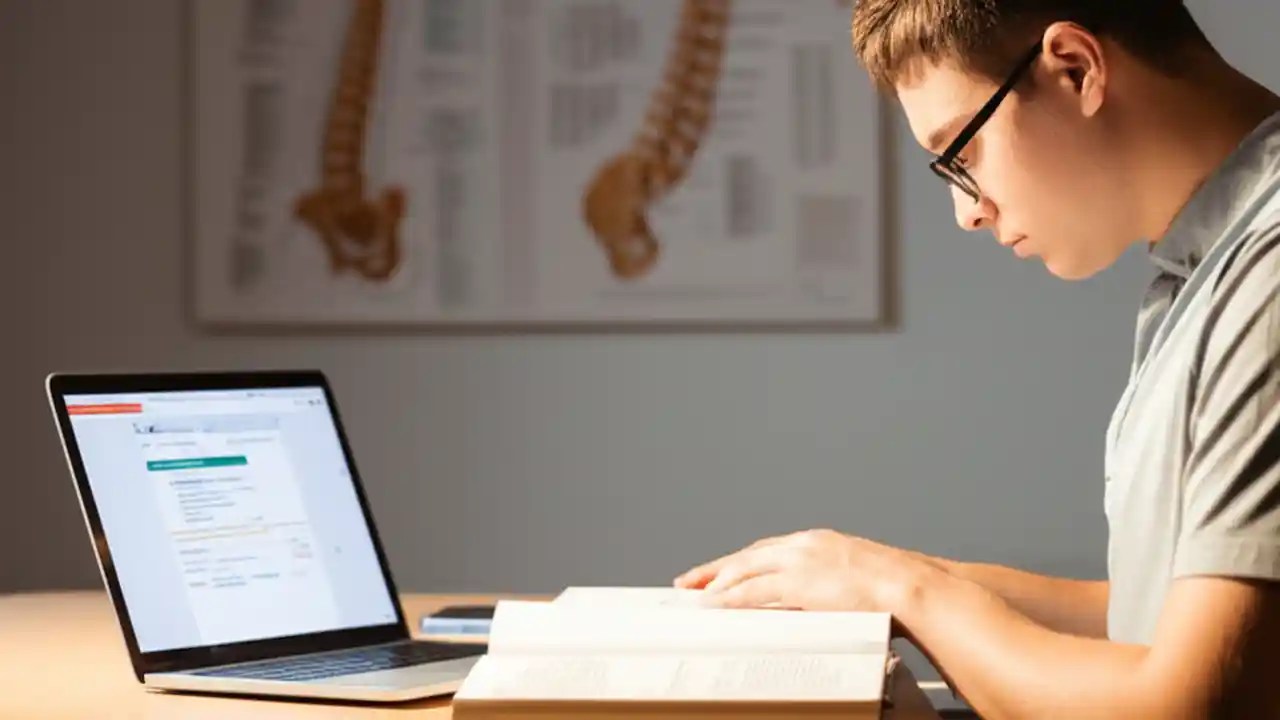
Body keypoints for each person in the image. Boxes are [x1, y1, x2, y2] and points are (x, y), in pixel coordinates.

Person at [674, 1, 1280, 717]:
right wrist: (887, 577)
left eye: (961, 153)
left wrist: (912, 593)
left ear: (1075, 68)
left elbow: (1196, 701)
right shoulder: (1205, 273)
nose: (969, 212)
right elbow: (1168, 615)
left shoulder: (1267, 279)